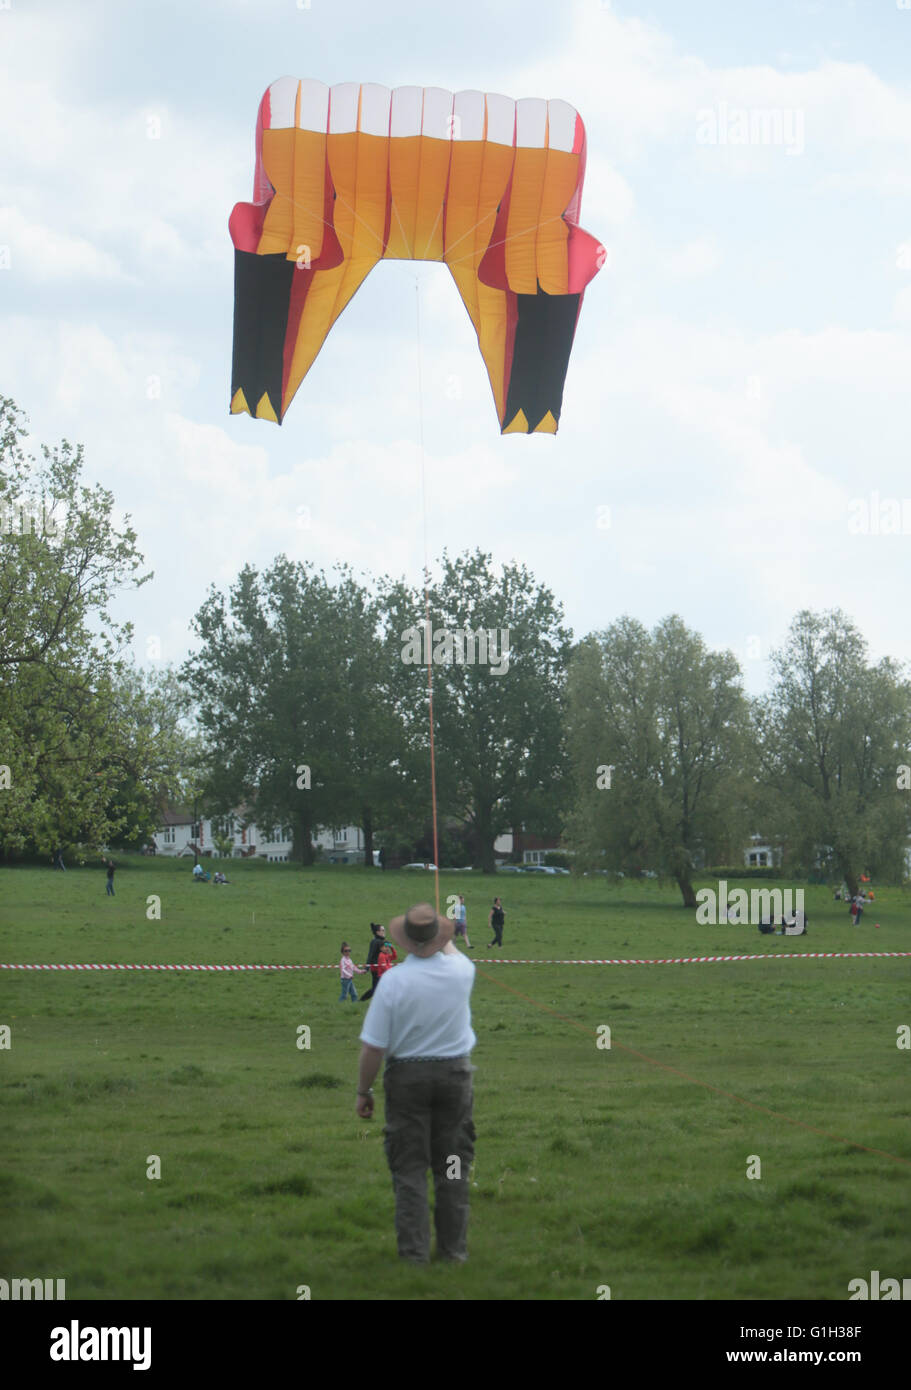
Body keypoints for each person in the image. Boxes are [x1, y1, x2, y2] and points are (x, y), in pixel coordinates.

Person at [357, 902, 477, 1265]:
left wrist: (363, 1091)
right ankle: (453, 1253)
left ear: (406, 942)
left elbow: (373, 1047)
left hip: (407, 1081)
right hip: (455, 1080)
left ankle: (413, 1256)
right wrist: (444, 931)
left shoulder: (393, 981)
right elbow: (452, 949)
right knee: (453, 1164)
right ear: (439, 939)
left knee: (409, 1168)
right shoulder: (462, 970)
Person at [360, 923, 386, 1001]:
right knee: (376, 989)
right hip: (376, 969)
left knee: (378, 987)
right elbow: (370, 955)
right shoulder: (375, 942)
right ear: (377, 932)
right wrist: (367, 968)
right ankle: (361, 1000)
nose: (384, 932)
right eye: (382, 930)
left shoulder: (380, 941)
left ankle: (361, 1000)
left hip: (382, 968)